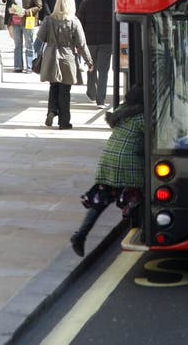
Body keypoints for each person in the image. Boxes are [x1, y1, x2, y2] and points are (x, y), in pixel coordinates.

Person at [70, 85, 144, 257]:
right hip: (127, 162)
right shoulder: (142, 117)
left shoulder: (121, 110)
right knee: (138, 195)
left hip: (108, 159)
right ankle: (145, 229)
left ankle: (80, 236)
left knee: (100, 201)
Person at [35, 0, 93, 130]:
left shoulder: (49, 20)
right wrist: (89, 61)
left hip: (50, 56)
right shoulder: (74, 21)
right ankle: (64, 122)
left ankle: (51, 111)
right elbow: (81, 44)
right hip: (67, 57)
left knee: (53, 86)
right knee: (65, 90)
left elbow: (39, 39)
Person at [77, 0, 113, 107]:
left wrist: (79, 43)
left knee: (91, 67)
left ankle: (91, 92)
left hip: (90, 42)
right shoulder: (111, 3)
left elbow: (80, 24)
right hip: (107, 41)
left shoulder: (85, 3)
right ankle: (101, 99)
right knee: (104, 70)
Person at [7, 0, 42, 72]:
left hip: (27, 20)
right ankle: (18, 66)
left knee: (29, 44)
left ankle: (30, 66)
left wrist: (26, 12)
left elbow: (39, 6)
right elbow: (11, 3)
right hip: (15, 19)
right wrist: (11, 9)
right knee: (17, 44)